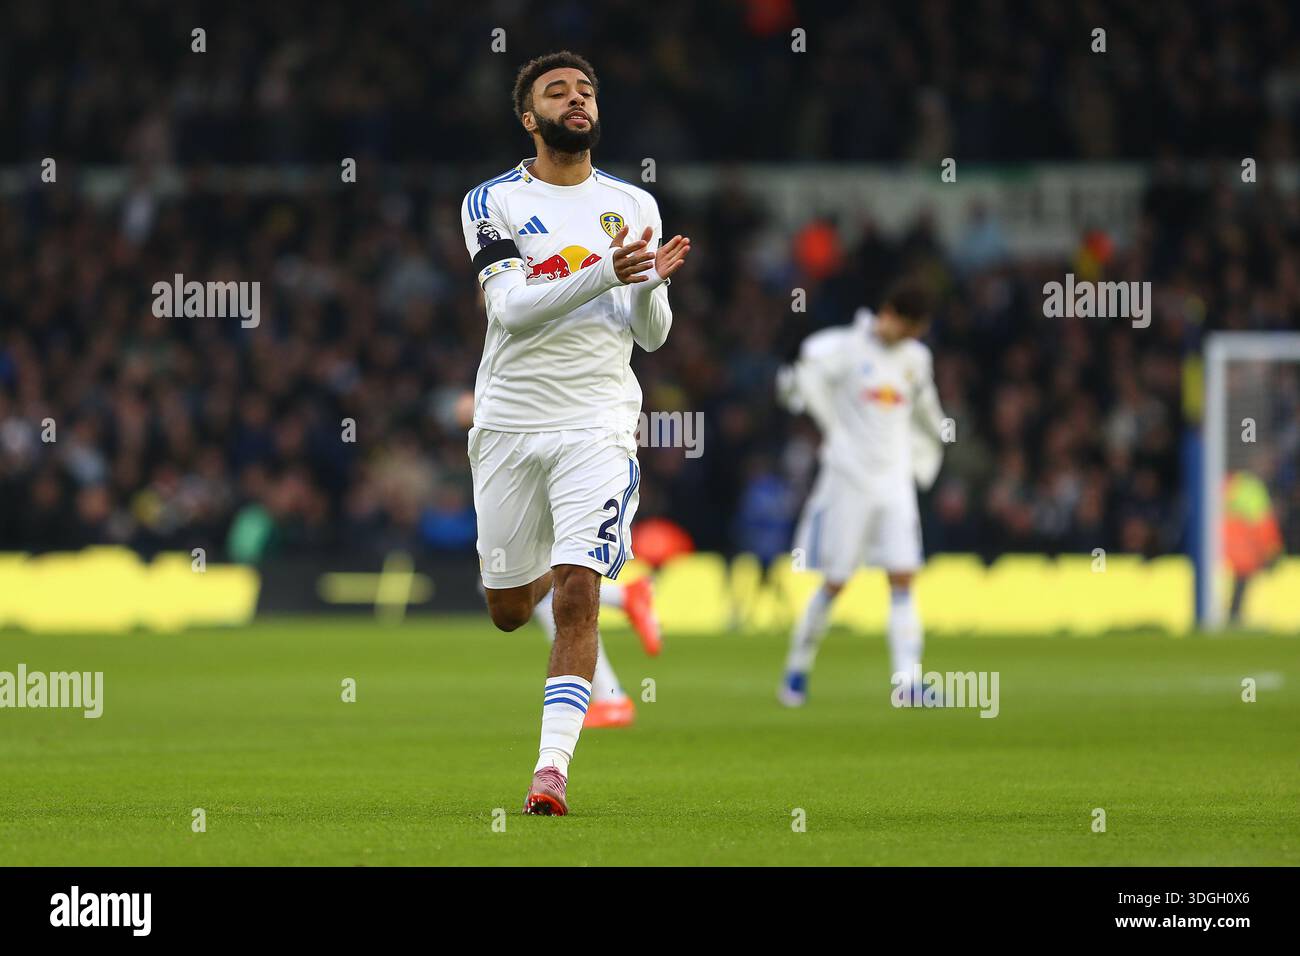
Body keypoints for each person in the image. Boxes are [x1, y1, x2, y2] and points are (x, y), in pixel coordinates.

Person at [460, 51, 691, 815]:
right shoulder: (489, 202)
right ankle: (634, 598)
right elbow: (511, 310)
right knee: (507, 608)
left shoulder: (634, 203)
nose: (576, 98)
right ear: (530, 118)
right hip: (509, 421)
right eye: (557, 91)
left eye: (586, 88)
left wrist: (650, 283)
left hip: (597, 420)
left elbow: (651, 335)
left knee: (576, 590)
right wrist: (607, 271)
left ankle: (550, 771)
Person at [776, 280, 945, 706]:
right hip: (850, 479)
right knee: (836, 581)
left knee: (903, 575)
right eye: (906, 328)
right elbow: (802, 384)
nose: (908, 338)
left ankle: (907, 683)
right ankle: (796, 670)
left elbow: (929, 413)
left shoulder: (915, 360)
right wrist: (799, 394)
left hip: (895, 481)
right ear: (888, 314)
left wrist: (932, 449)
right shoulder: (843, 348)